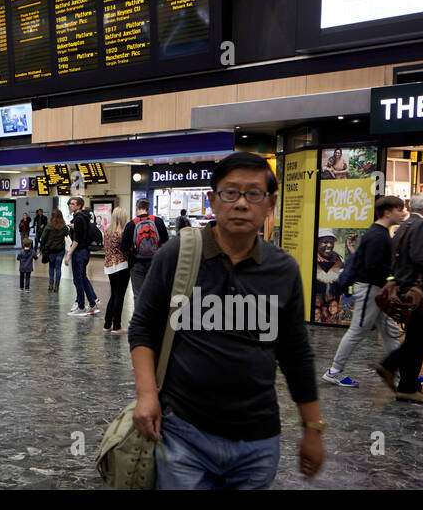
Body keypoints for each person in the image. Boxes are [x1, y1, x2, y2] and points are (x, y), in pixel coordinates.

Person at [130, 152, 324, 489]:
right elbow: (143, 327)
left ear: (270, 203)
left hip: (258, 439)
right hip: (183, 432)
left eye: (254, 194)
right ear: (212, 200)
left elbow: (296, 353)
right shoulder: (176, 255)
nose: (241, 204)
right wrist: (147, 395)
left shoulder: (283, 269)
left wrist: (312, 428)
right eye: (230, 192)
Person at [323, 196, 406, 387]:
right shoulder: (378, 235)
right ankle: (334, 370)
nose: (402, 213)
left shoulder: (378, 233)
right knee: (358, 330)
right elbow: (373, 266)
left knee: (389, 330)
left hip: (374, 288)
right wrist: (391, 280)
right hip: (370, 288)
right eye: (399, 209)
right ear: (387, 212)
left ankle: (404, 373)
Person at [376, 192, 423, 404]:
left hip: (408, 288)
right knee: (422, 337)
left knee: (416, 337)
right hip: (421, 291)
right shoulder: (421, 226)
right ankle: (393, 368)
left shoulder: (405, 225)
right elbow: (421, 257)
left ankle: (409, 385)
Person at [122, 199, 170, 311]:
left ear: (137, 208)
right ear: (148, 209)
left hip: (137, 263)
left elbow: (123, 247)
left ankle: (140, 322)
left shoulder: (131, 224)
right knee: (155, 293)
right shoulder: (158, 221)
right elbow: (166, 242)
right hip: (155, 263)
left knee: (138, 294)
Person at [65, 196, 100, 317]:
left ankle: (80, 306)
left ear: (79, 206)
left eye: (73, 204)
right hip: (85, 252)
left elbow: (77, 239)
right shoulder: (84, 217)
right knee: (83, 277)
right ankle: (92, 302)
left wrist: (69, 253)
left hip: (79, 252)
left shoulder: (78, 218)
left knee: (78, 280)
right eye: (70, 204)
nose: (71, 206)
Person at [102, 207, 131, 332]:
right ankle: (117, 326)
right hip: (122, 265)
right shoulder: (123, 232)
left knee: (113, 294)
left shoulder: (108, 231)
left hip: (109, 266)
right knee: (120, 295)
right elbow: (126, 249)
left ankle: (107, 324)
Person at [312, 230, 345, 322]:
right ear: (317, 243)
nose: (329, 245)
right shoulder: (311, 256)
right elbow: (324, 277)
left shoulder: (336, 257)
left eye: (331, 242)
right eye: (325, 242)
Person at [40, 209, 67, 291]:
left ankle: (50, 284)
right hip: (61, 250)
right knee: (58, 267)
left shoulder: (49, 226)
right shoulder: (64, 227)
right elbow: (68, 237)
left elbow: (43, 238)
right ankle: (57, 286)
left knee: (51, 267)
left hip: (51, 250)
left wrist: (42, 247)